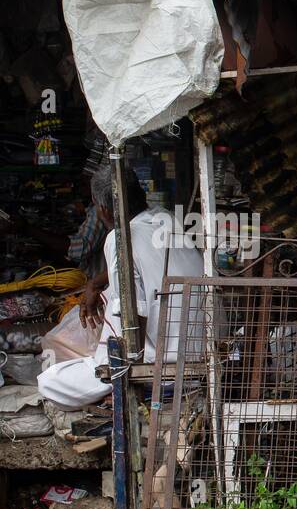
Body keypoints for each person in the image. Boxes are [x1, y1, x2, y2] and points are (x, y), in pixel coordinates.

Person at [37, 164, 204, 409]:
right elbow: (142, 263)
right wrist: (96, 283)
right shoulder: (165, 218)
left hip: (165, 370)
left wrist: (122, 368)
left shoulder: (118, 240)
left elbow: (132, 320)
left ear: (102, 208)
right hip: (204, 356)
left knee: (50, 381)